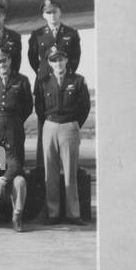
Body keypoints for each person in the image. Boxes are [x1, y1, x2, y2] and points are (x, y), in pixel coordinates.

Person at [34, 46, 90, 225]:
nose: (58, 63)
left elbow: (85, 106)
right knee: (50, 172)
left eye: (61, 59)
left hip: (69, 126)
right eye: (54, 60)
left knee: (70, 171)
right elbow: (40, 107)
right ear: (49, 63)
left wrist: (74, 124)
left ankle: (73, 214)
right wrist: (50, 123)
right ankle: (53, 213)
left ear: (66, 60)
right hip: (50, 126)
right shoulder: (43, 82)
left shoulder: (78, 80)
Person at [28, 0, 82, 85]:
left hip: (66, 78)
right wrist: (42, 70)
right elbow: (32, 58)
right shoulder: (37, 35)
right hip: (44, 80)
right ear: (43, 15)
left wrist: (68, 71)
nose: (52, 15)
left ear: (60, 12)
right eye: (48, 13)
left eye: (54, 12)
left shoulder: (71, 33)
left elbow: (76, 56)